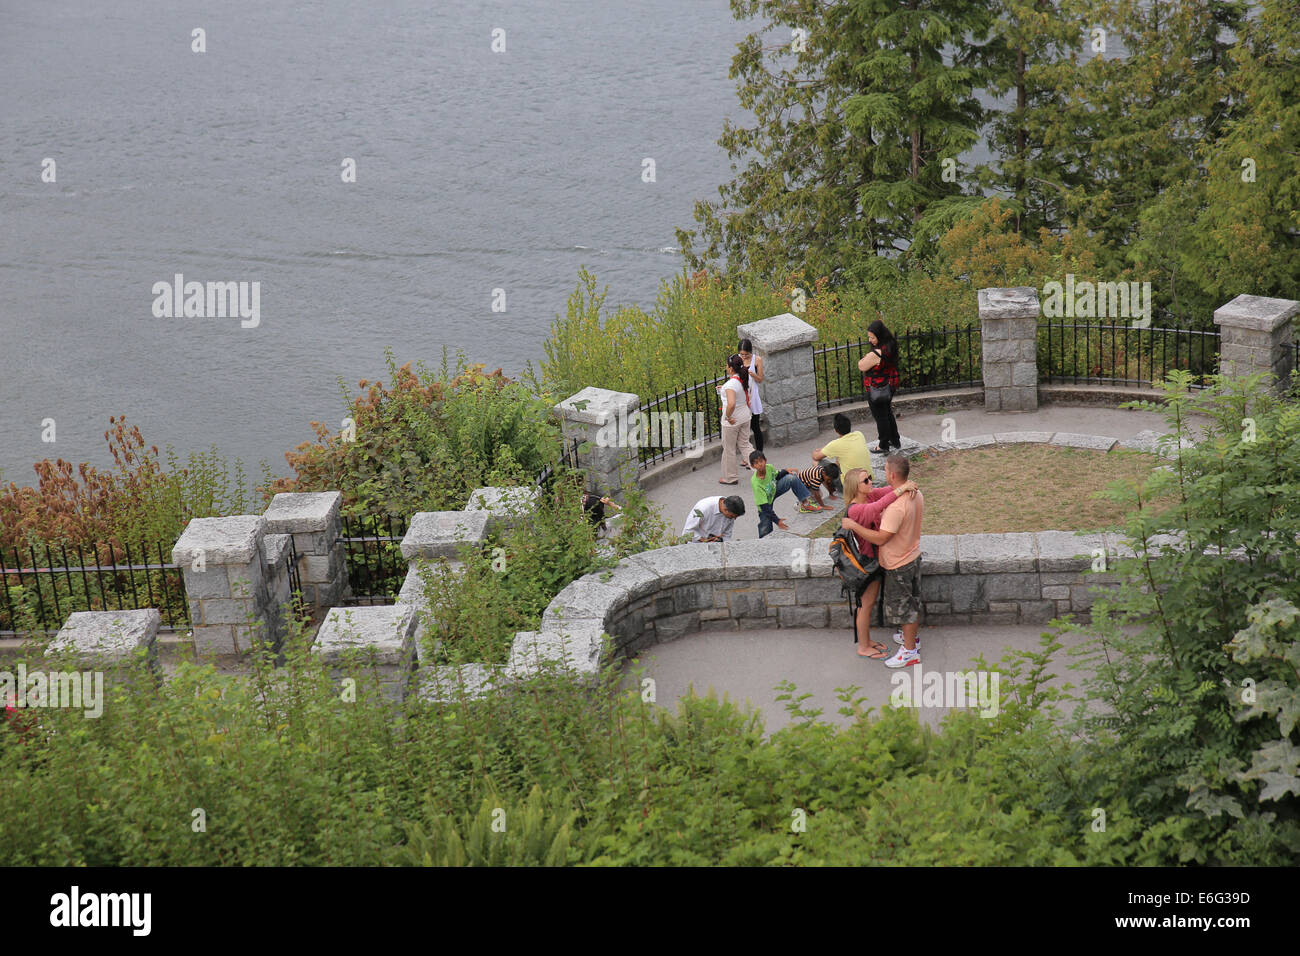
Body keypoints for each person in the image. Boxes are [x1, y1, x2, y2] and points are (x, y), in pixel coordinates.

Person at [850, 454, 924, 667]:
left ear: (891, 474)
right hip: (912, 554)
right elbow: (880, 498)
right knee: (912, 602)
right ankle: (912, 639)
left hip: (898, 562)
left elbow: (882, 537)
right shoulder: (916, 493)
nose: (874, 480)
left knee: (903, 608)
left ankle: (910, 652)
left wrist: (855, 527)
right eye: (866, 480)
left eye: (882, 471)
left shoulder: (895, 507)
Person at [750, 452, 822, 537]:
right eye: (756, 463)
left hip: (773, 490)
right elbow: (764, 507)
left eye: (761, 461)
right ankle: (764, 542)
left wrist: (785, 471)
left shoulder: (769, 467)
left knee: (792, 478)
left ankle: (805, 504)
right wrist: (777, 521)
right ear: (752, 466)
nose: (760, 464)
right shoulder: (756, 483)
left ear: (765, 461)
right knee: (766, 528)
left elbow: (776, 476)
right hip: (765, 503)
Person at [858, 318, 902, 454]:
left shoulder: (876, 353)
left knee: (880, 416)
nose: (870, 340)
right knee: (887, 413)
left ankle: (883, 444)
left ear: (879, 335)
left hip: (876, 388)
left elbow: (861, 366)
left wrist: (867, 357)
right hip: (890, 384)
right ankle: (895, 440)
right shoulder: (891, 345)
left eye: (872, 337)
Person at [717, 354, 755, 485]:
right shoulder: (743, 378)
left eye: (727, 366)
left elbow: (731, 403)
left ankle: (730, 477)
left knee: (729, 448)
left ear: (731, 368)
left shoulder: (730, 385)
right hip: (745, 415)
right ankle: (760, 469)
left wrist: (728, 417)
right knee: (745, 444)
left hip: (733, 419)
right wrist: (724, 389)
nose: (726, 368)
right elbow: (743, 394)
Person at [813, 412, 872, 482]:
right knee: (840, 458)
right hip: (868, 479)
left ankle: (832, 491)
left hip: (852, 485)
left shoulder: (835, 444)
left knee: (815, 463)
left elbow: (816, 456)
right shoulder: (859, 434)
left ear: (835, 430)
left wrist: (818, 450)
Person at [738, 339, 765, 453]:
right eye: (742, 354)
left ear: (750, 352)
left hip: (752, 396)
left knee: (755, 426)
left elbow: (760, 379)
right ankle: (747, 453)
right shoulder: (737, 359)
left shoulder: (757, 360)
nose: (743, 357)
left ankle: (759, 452)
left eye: (746, 354)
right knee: (743, 428)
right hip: (742, 396)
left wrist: (753, 374)